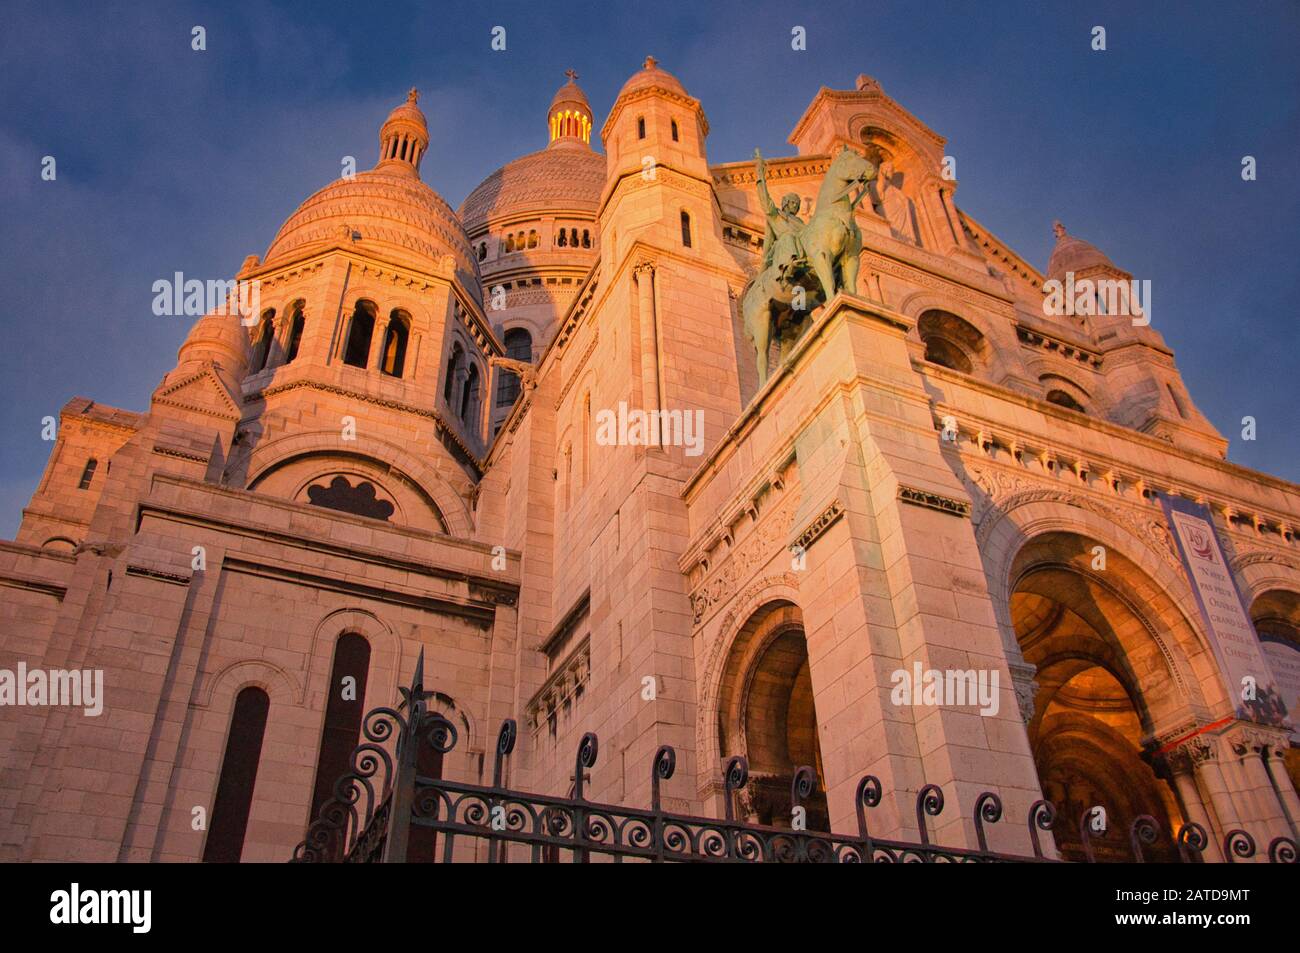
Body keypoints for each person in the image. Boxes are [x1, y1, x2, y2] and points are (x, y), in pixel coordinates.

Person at [754, 148, 806, 281]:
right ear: (786, 203)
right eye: (794, 202)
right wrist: (760, 176)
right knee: (787, 237)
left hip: (802, 249)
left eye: (798, 204)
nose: (797, 206)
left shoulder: (800, 222)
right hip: (783, 250)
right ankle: (789, 266)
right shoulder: (776, 214)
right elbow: (765, 199)